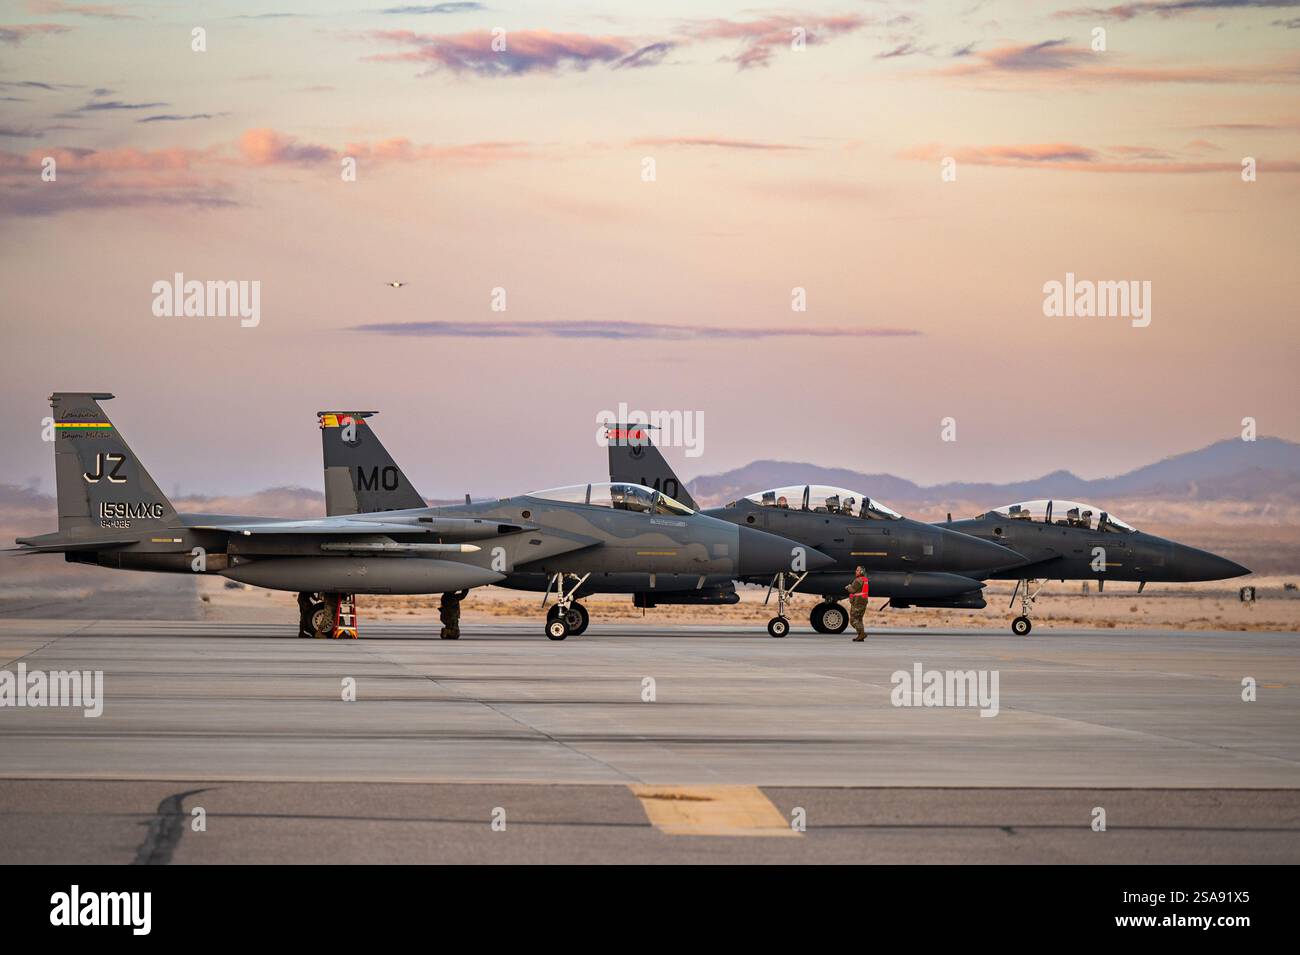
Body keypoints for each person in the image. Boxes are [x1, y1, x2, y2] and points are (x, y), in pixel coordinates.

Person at [846, 566, 869, 641]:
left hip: (858, 602)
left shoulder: (858, 580)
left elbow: (852, 590)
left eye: (858, 570)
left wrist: (848, 587)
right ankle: (860, 636)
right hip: (863, 601)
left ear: (861, 572)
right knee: (859, 619)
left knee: (853, 620)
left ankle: (862, 633)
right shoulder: (865, 579)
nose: (856, 571)